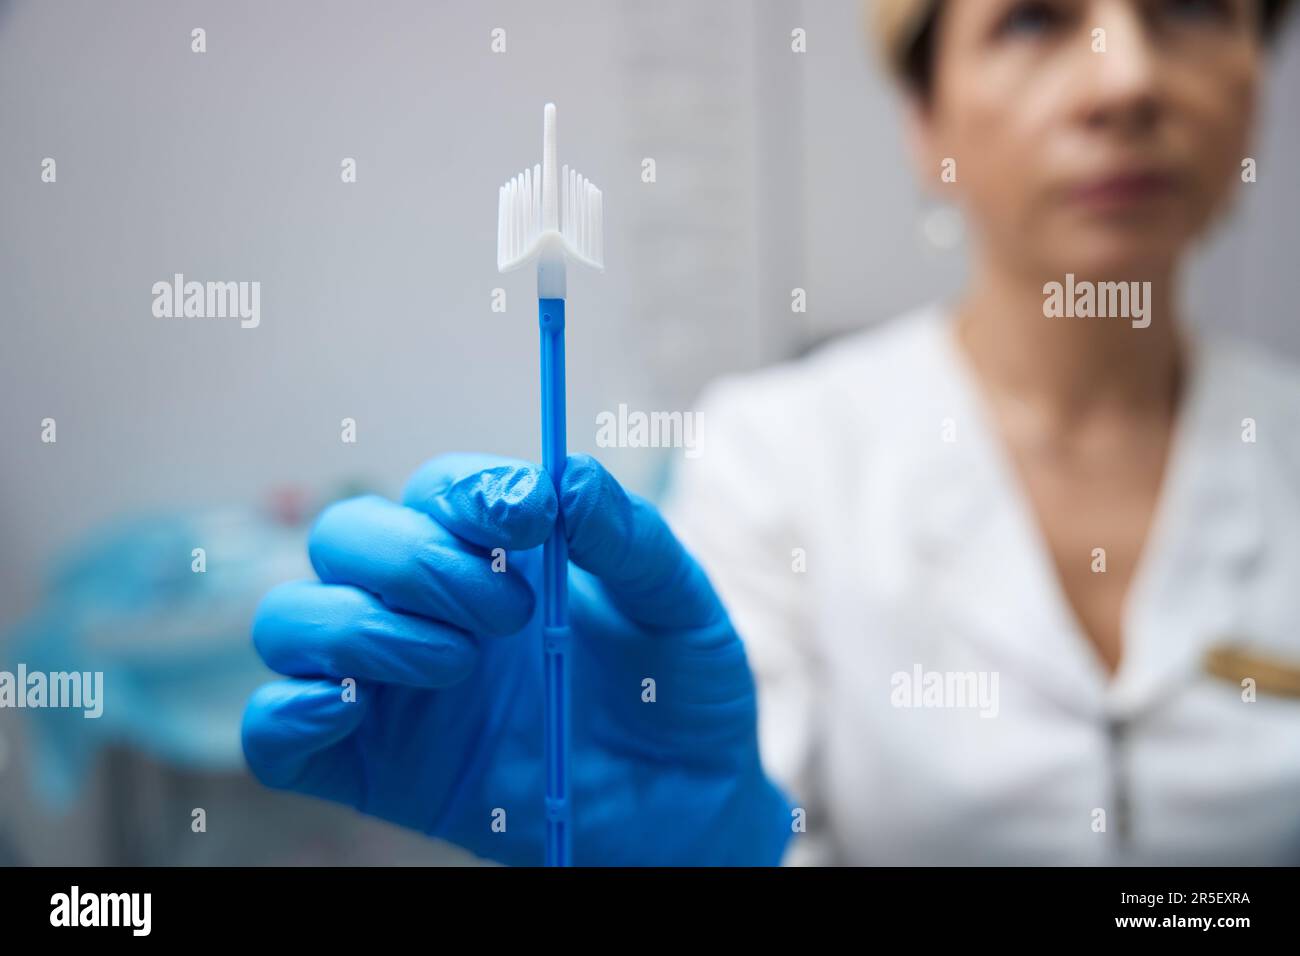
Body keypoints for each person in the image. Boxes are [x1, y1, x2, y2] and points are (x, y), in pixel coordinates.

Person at [241, 0, 1300, 865]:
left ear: (1253, 87)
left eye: (1190, 7)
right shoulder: (775, 454)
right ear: (924, 122)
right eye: (1031, 20)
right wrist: (722, 848)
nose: (1126, 82)